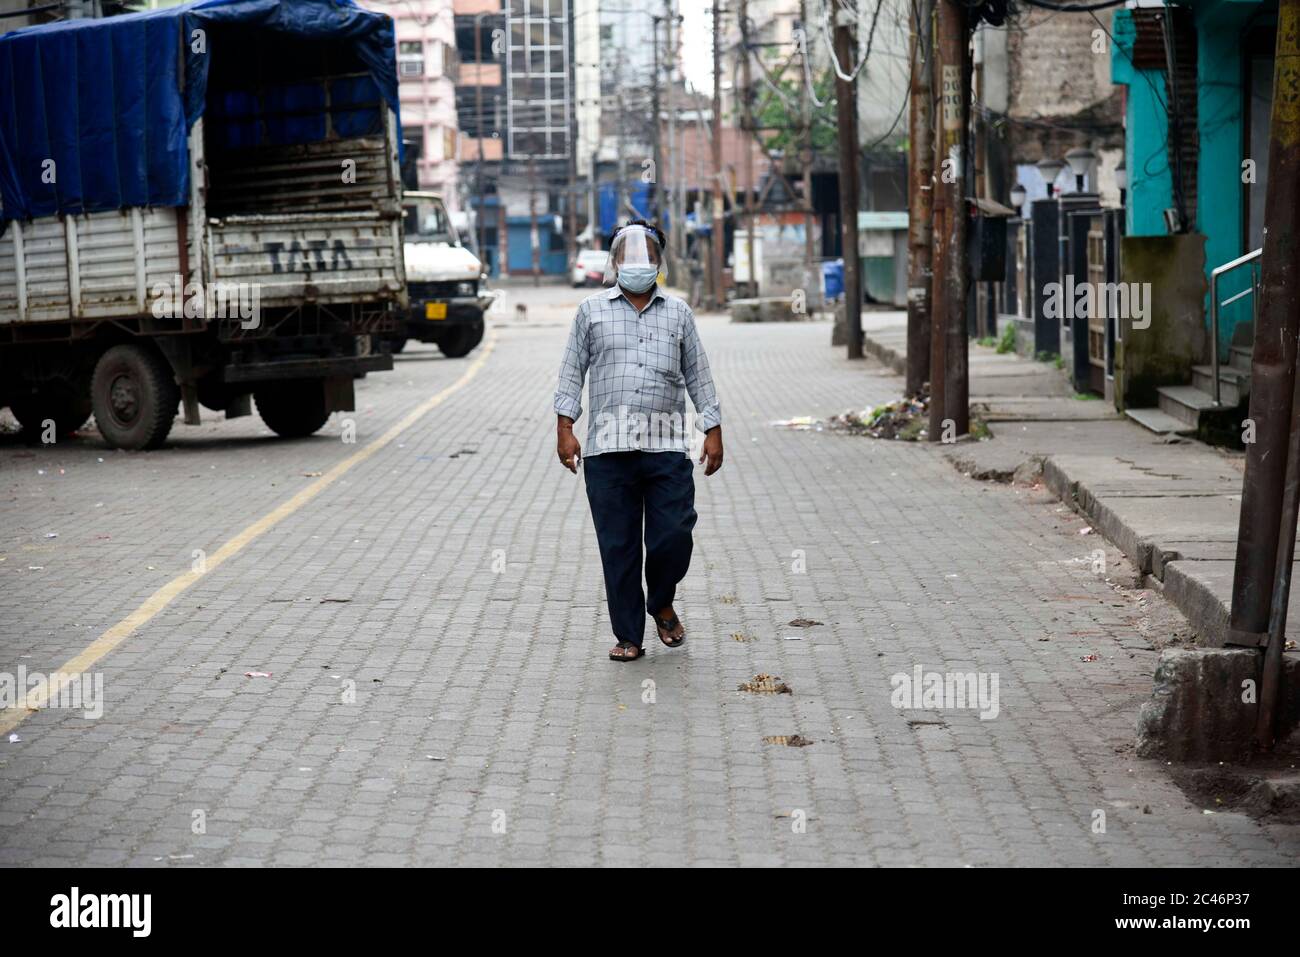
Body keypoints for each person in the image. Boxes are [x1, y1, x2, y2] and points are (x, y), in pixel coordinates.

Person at [554, 221, 724, 662]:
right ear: (614, 263)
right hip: (606, 451)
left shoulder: (679, 313)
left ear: (658, 262)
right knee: (619, 546)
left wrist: (713, 430)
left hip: (666, 446)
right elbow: (572, 372)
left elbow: (699, 376)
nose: (637, 264)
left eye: (646, 256)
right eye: (628, 257)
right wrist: (565, 427)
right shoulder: (591, 311)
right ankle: (629, 635)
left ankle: (661, 599)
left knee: (674, 534)